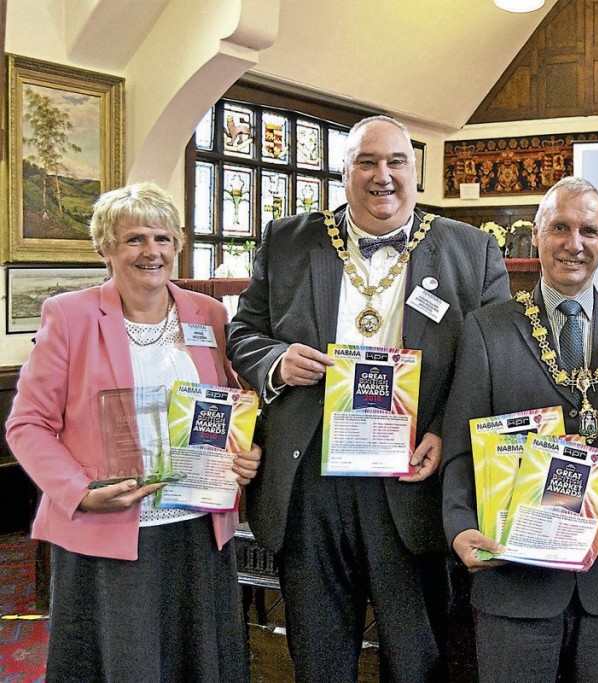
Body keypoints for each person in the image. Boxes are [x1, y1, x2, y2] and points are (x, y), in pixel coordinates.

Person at [227, 115, 510, 682]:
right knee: (319, 652)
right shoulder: (288, 240)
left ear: (415, 172)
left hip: (411, 476)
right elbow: (243, 333)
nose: (382, 176)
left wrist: (445, 434)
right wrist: (276, 362)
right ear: (345, 172)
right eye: (366, 162)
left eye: (395, 162)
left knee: (415, 656)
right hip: (308, 475)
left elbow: (491, 367)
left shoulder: (471, 250)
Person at [5, 182, 261, 682]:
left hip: (197, 523)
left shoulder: (206, 314)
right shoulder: (71, 315)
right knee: (125, 663)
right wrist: (80, 493)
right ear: (105, 247)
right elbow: (27, 423)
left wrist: (244, 451)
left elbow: (229, 403)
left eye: (163, 239)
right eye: (135, 239)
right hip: (111, 526)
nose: (152, 252)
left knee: (198, 660)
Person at [441, 176, 598, 682]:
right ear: (537, 235)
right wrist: (459, 526)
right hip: (513, 579)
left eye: (589, 230)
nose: (574, 244)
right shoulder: (486, 328)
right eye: (560, 228)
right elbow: (460, 448)